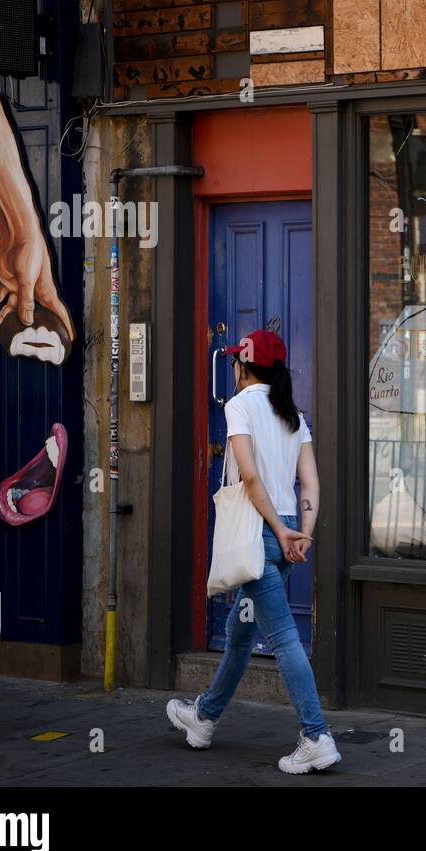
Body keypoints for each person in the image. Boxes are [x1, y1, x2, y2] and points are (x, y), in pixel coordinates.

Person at [165, 329, 340, 774]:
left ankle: (316, 734)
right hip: (282, 541)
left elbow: (248, 475)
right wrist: (302, 532)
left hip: (260, 537)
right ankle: (204, 718)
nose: (233, 370)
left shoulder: (240, 406)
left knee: (283, 638)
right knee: (241, 631)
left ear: (244, 365)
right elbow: (312, 484)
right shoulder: (294, 417)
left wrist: (281, 530)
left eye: (234, 363)